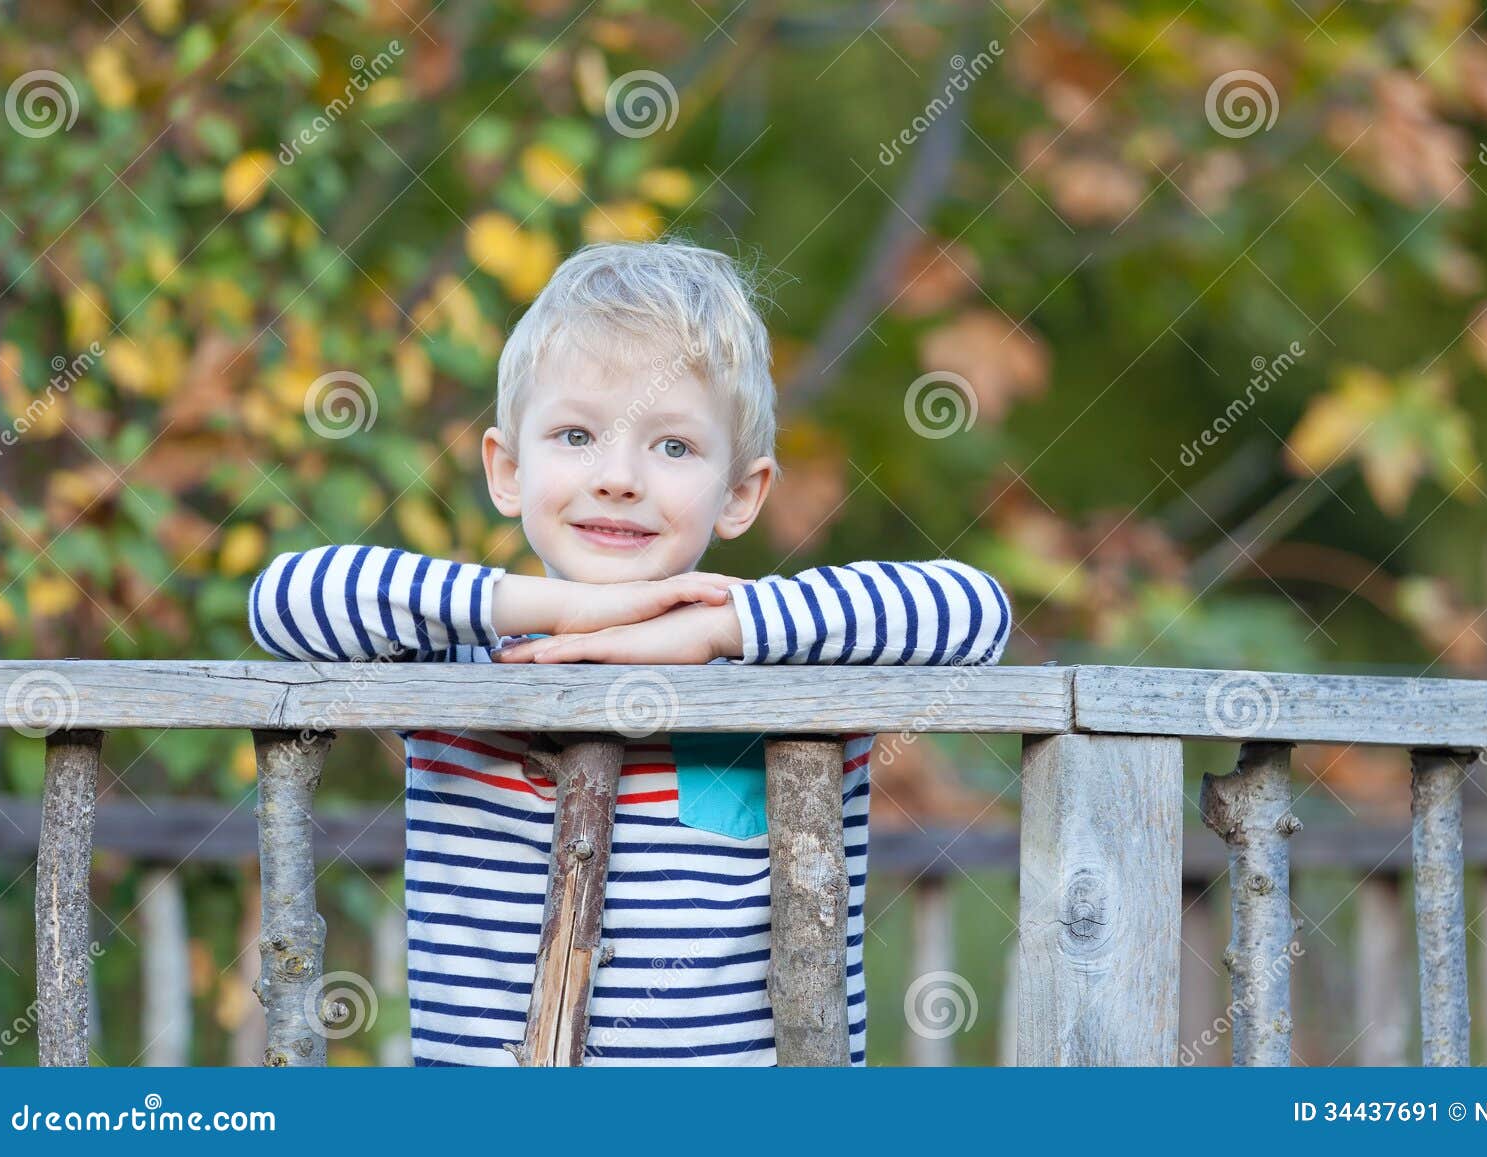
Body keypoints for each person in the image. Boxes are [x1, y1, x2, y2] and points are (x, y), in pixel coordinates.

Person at [248, 237, 1011, 1065]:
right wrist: (562, 607)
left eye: (673, 446)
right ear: (507, 470)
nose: (618, 476)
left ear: (742, 493)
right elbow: (287, 599)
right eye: (575, 434)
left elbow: (976, 611)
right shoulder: (461, 661)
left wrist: (717, 627)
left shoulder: (786, 659)